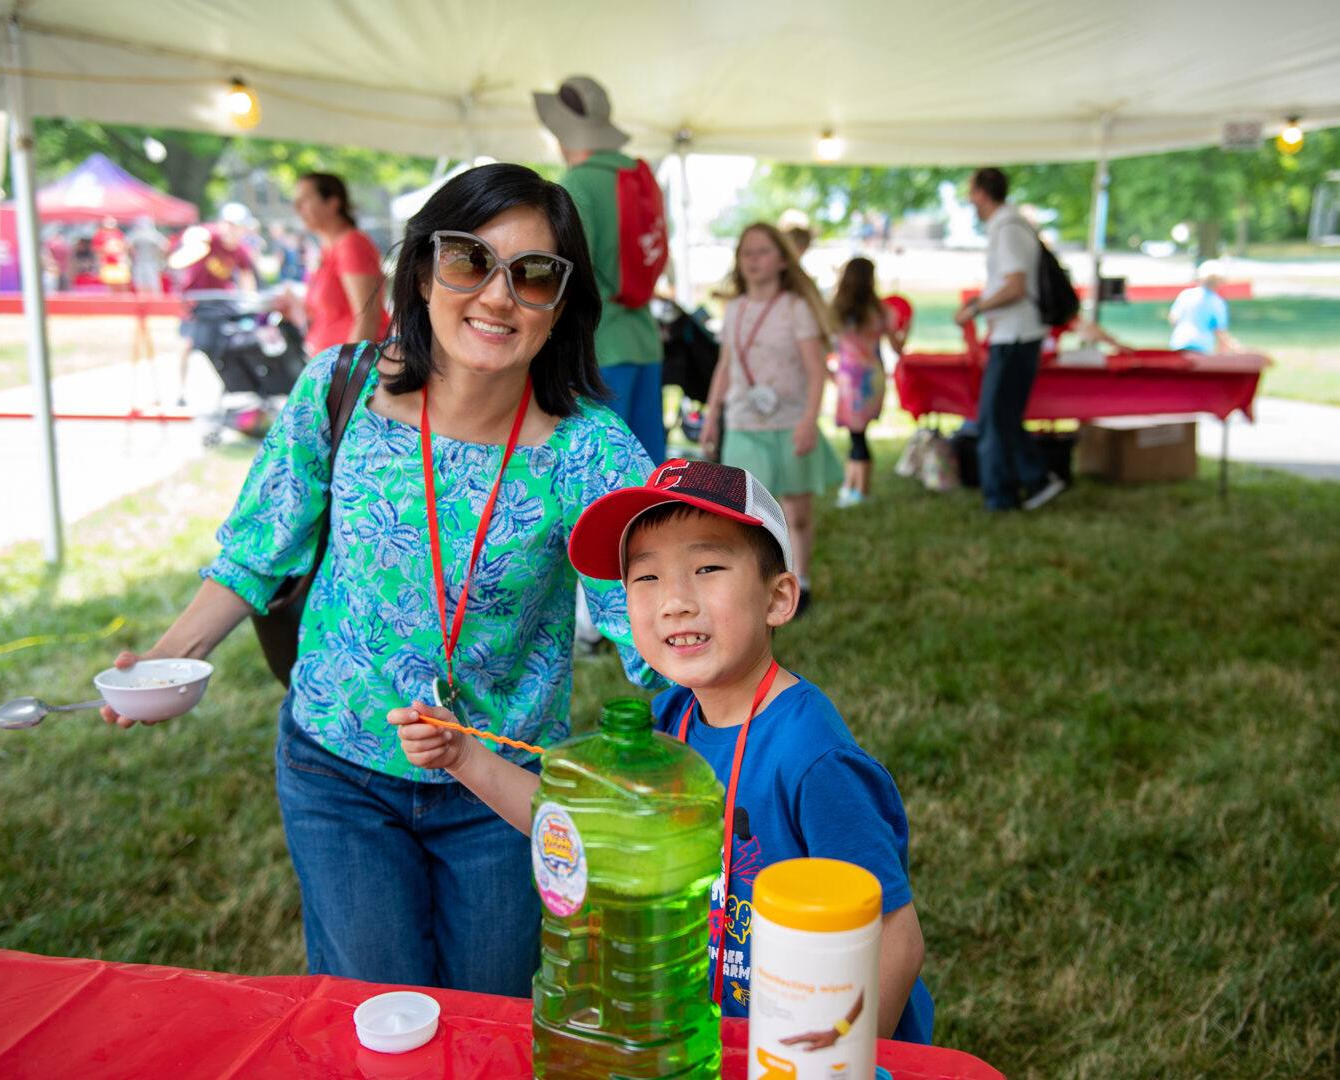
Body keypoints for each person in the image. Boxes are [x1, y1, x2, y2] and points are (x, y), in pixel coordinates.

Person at [100, 163, 663, 995]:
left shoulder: (592, 452)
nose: (498, 297)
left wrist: (758, 721)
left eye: (533, 274)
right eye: (470, 260)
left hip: (501, 787)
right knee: (374, 1015)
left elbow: (651, 630)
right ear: (424, 269)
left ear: (562, 304)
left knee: (485, 1023)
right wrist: (164, 661)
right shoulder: (341, 387)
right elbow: (259, 551)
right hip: (338, 770)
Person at [389, 458, 933, 1043]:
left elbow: (897, 936)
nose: (675, 601)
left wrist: (843, 1061)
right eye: (646, 578)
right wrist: (463, 757)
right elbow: (573, 822)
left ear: (777, 599)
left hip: (805, 1048)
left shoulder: (811, 759)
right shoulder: (668, 725)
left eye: (707, 567)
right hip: (697, 1038)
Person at [699, 224, 836, 616]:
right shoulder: (736, 309)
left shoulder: (796, 308)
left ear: (781, 259)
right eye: (747, 253)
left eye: (762, 252)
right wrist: (713, 415)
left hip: (790, 423)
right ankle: (752, 583)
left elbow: (815, 370)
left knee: (796, 511)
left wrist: (810, 420)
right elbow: (724, 367)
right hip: (744, 423)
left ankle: (801, 579)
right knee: (746, 514)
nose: (754, 261)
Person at [534, 75, 666, 467]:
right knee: (648, 468)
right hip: (644, 338)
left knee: (599, 466)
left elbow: (567, 274)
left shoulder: (578, 183)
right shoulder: (639, 175)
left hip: (600, 345)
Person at [953, 167, 1065, 513]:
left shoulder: (1007, 227)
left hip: (1016, 336)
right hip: (1014, 335)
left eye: (972, 193)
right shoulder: (1009, 225)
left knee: (992, 420)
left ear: (982, 194)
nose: (970, 201)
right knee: (1001, 418)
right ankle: (1035, 480)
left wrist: (975, 308)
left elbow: (1015, 287)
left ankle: (1003, 496)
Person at [831, 257, 905, 507]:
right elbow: (898, 345)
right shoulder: (881, 311)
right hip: (872, 377)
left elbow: (826, 344)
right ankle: (852, 485)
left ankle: (859, 491)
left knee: (857, 436)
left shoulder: (839, 311)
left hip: (850, 379)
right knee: (858, 435)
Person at [170, 205, 259, 406]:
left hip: (220, 304)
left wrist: (249, 299)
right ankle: (180, 390)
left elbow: (247, 276)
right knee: (186, 345)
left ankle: (228, 389)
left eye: (238, 226)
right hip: (195, 302)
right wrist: (193, 241)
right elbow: (194, 234)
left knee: (225, 347)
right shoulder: (208, 236)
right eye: (229, 225)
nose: (232, 230)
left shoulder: (240, 250)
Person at [292, 172, 389, 355]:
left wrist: (348, 375)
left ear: (333, 203)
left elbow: (368, 316)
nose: (297, 207)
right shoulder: (328, 248)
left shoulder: (351, 245)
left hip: (348, 371)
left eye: (306, 199)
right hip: (327, 363)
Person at [1169, 261, 1241, 354]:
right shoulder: (1217, 302)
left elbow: (1173, 319)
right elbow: (1220, 332)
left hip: (1179, 344)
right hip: (1202, 347)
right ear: (1219, 281)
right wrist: (1232, 347)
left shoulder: (1185, 295)